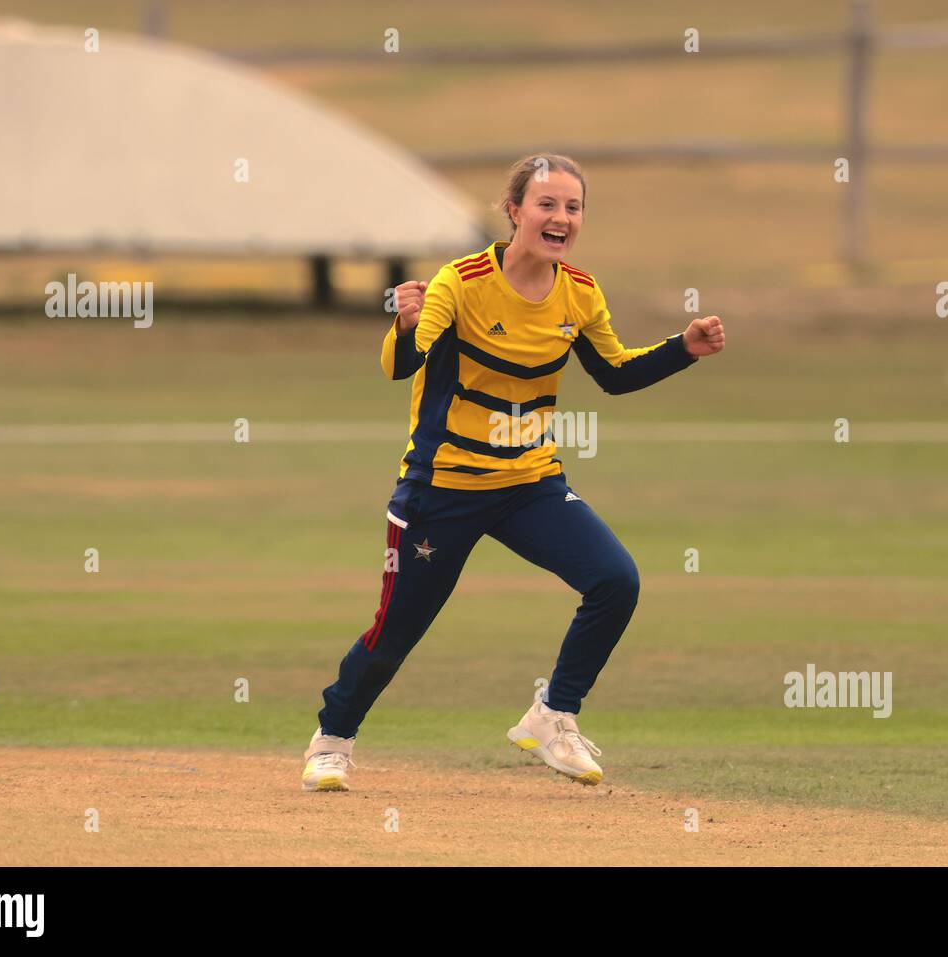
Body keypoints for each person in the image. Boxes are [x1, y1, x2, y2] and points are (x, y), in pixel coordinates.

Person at [303, 153, 725, 791]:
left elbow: (614, 375)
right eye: (547, 205)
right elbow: (402, 364)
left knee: (616, 581)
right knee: (397, 633)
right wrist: (406, 322)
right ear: (515, 212)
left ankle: (552, 716)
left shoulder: (579, 293)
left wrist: (682, 350)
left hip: (529, 484)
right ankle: (332, 740)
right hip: (441, 490)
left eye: (573, 207)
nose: (560, 218)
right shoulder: (462, 281)